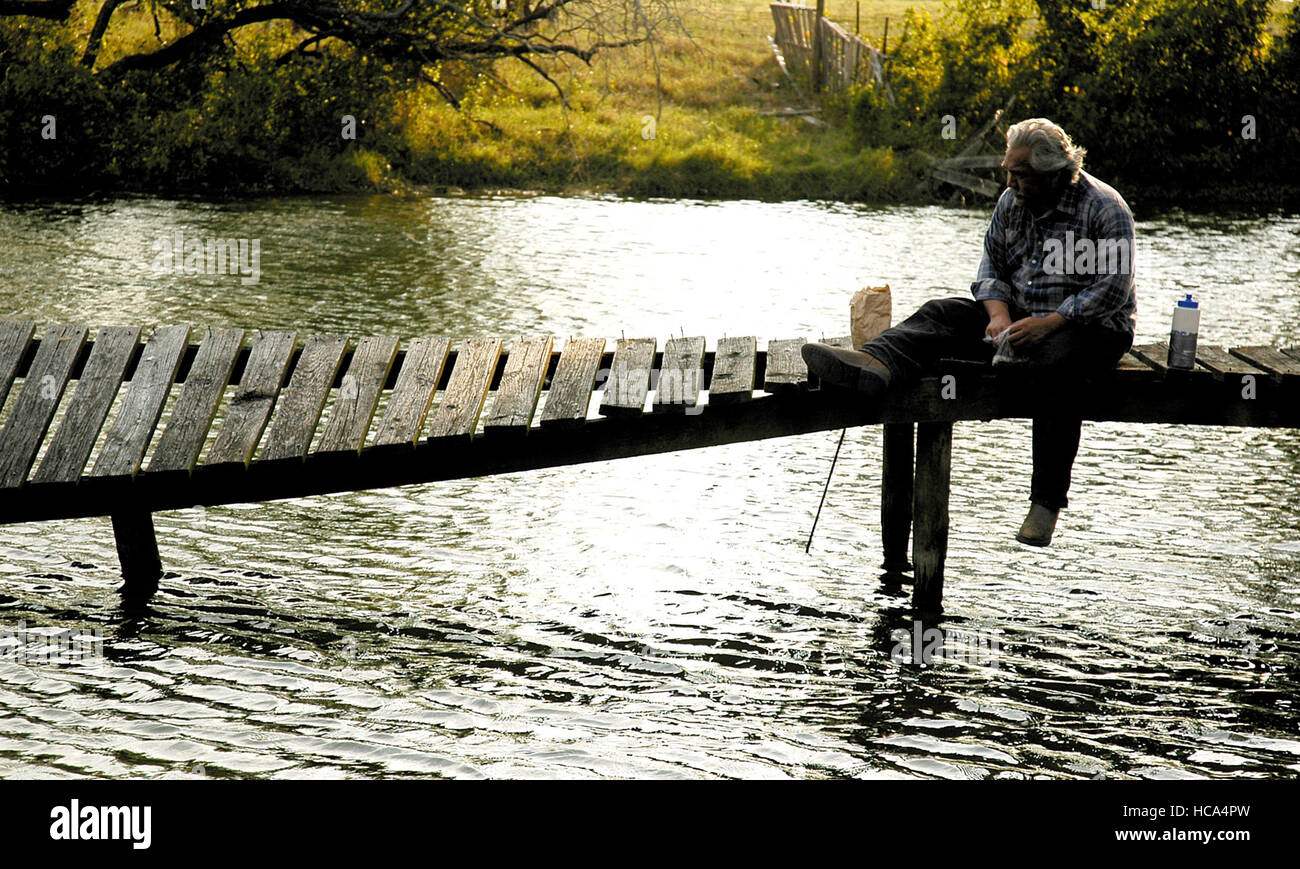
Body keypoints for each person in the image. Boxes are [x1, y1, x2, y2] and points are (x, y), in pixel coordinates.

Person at [801, 118, 1137, 546]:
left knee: (1057, 368)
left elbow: (1112, 287)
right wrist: (997, 315)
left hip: (1090, 327)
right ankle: (876, 364)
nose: (1010, 181)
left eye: (1020, 174)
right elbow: (990, 268)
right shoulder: (1010, 203)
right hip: (1018, 316)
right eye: (1008, 170)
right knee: (943, 312)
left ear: (1053, 174)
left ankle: (1046, 503)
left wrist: (1049, 324)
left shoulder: (1104, 207)